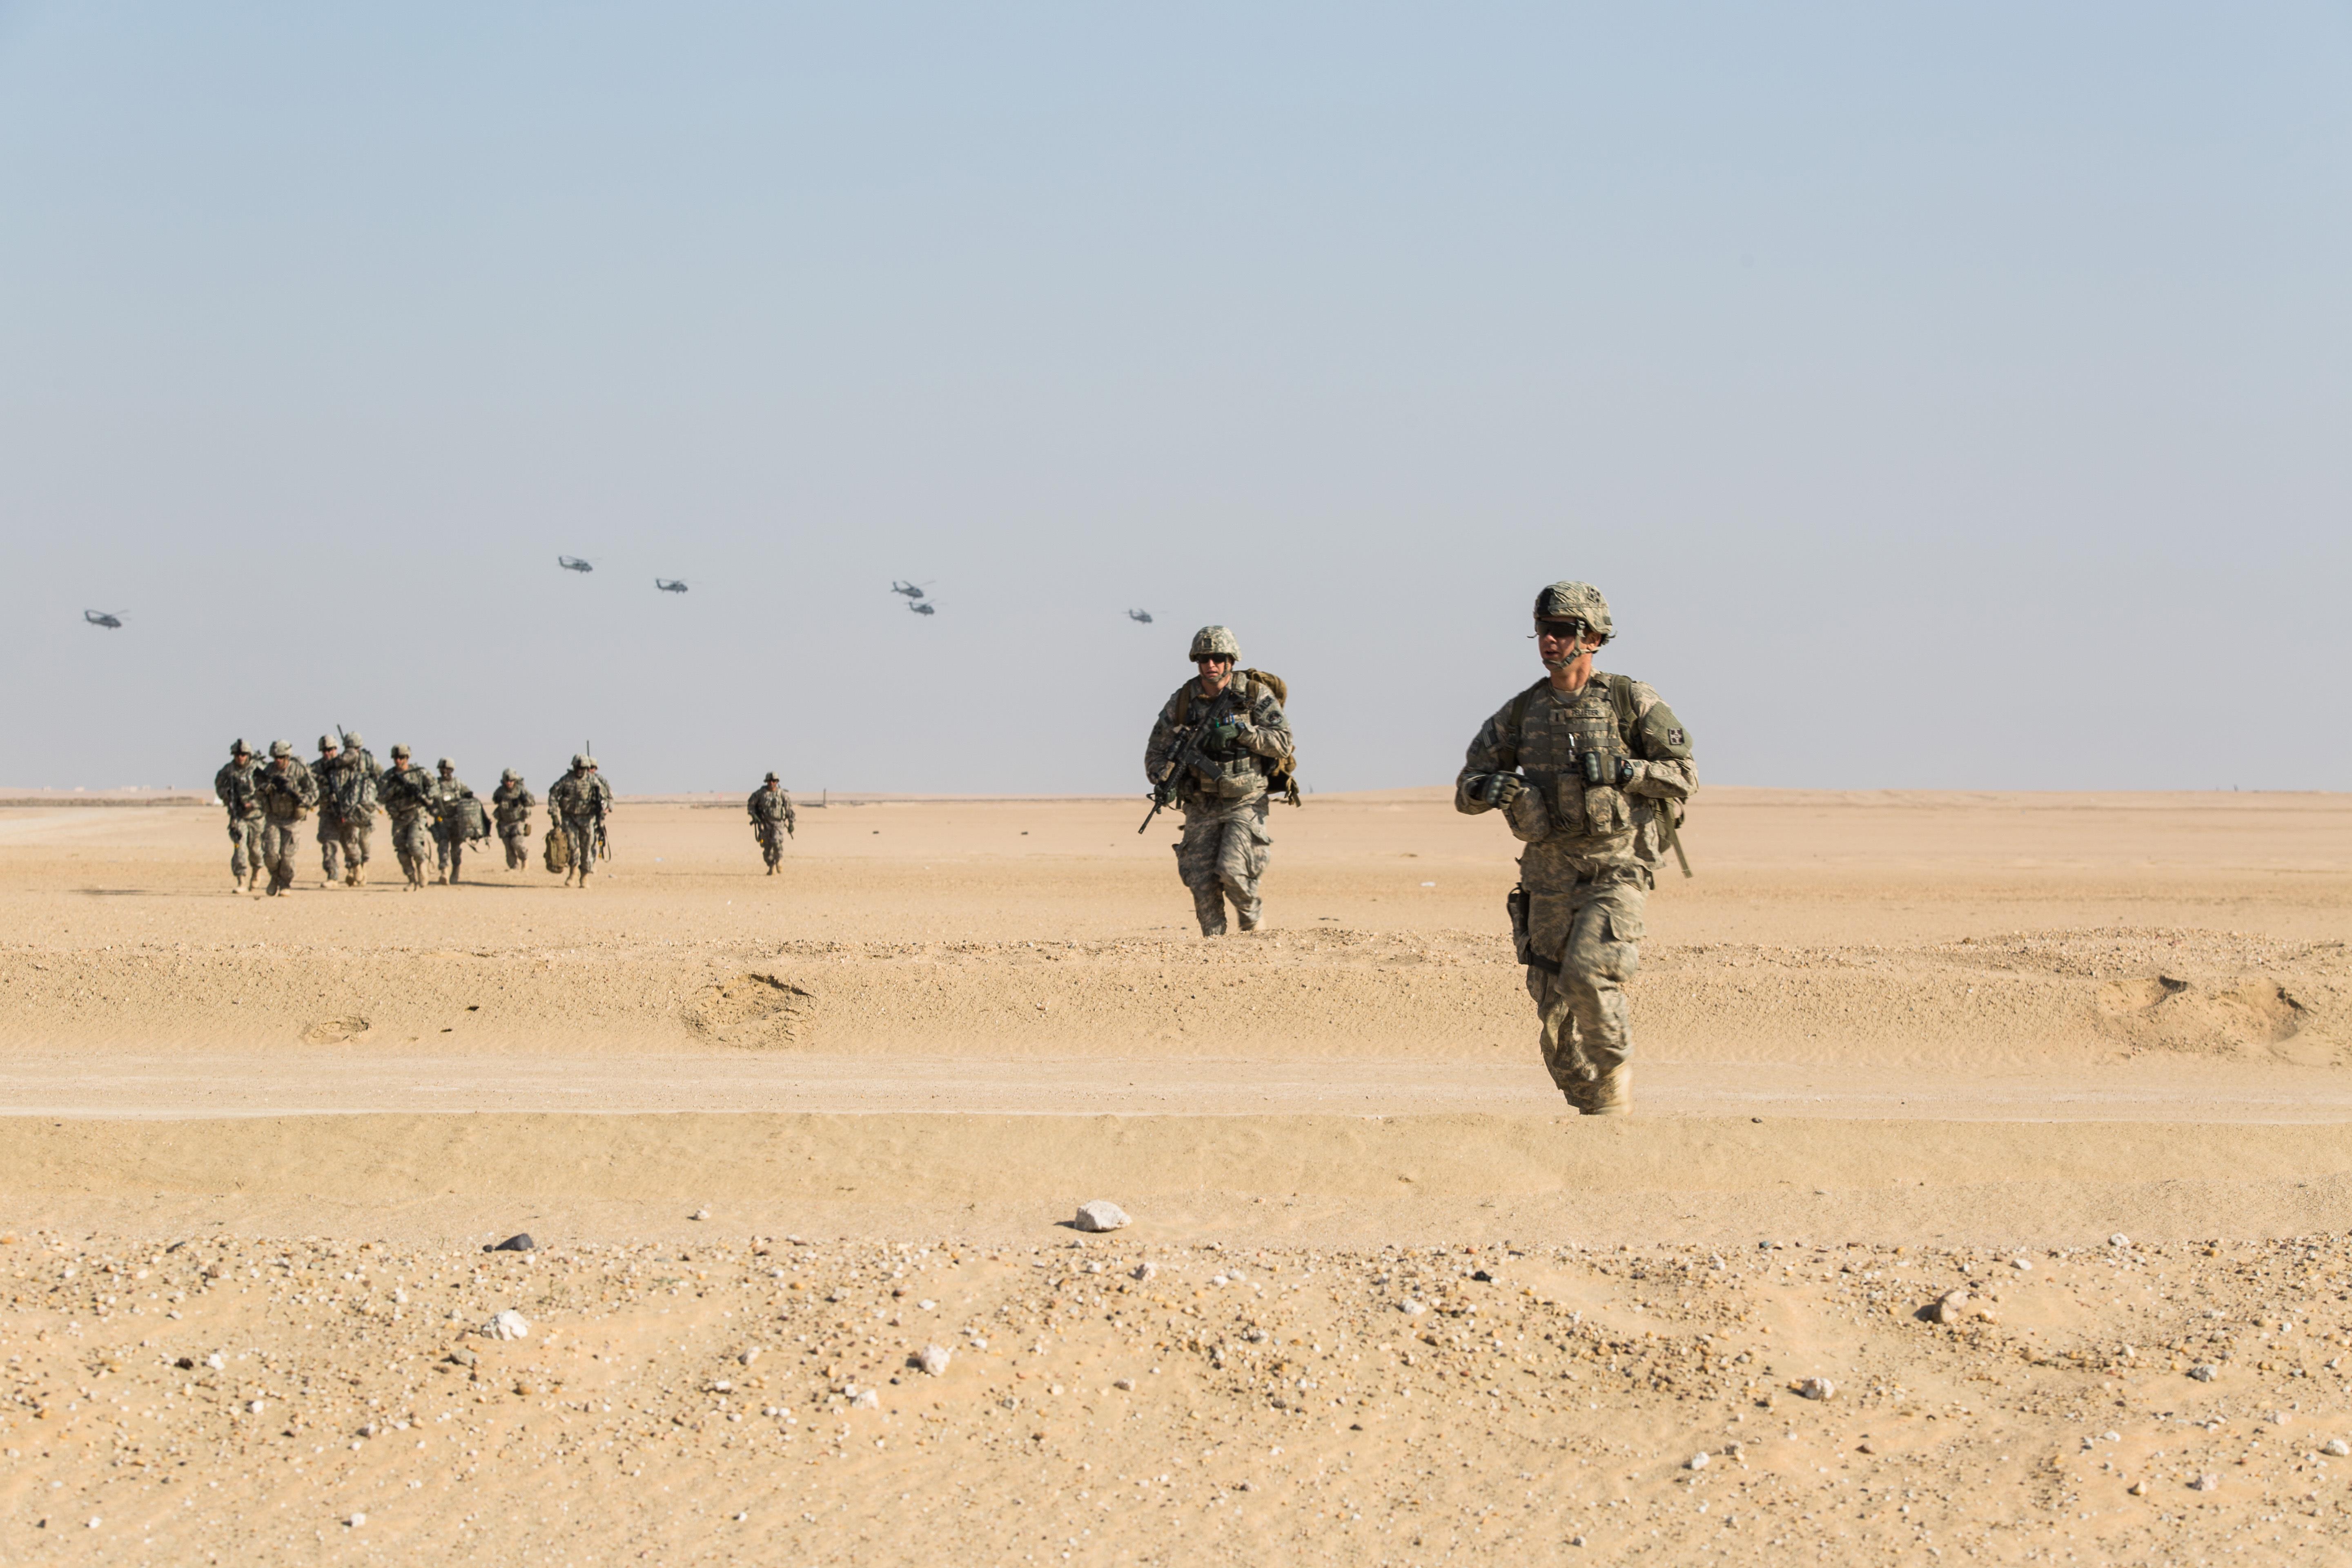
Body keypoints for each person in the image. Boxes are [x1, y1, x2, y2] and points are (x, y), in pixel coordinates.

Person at [1454, 581, 1697, 1117]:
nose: (1549, 640)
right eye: (1542, 629)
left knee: (1589, 972)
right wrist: (1487, 789)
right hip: (1547, 877)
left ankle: (1614, 1077)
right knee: (1556, 1024)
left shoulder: (1632, 702)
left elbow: (1685, 776)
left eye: (1562, 630)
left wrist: (1627, 771)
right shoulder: (1523, 712)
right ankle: (1598, 1121)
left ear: (1592, 637)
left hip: (1615, 868)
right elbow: (1467, 786)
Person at [1143, 625, 1294, 936]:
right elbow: (1155, 751)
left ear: (1231, 660)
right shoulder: (1184, 700)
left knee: (1233, 871)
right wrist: (1164, 778)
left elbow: (1283, 743)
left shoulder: (1253, 695)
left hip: (1245, 800)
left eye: (1217, 658)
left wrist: (1242, 733)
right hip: (1201, 803)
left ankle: (1254, 926)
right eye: (1204, 659)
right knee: (1200, 879)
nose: (1210, 665)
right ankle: (1214, 949)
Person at [253, 739, 320, 896]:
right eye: (276, 757)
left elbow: (314, 792)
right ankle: (274, 877)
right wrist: (264, 790)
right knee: (270, 854)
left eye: (282, 757)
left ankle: (285, 884)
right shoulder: (269, 771)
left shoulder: (299, 771)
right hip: (273, 818)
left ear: (288, 757)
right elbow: (257, 794)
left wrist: (302, 799)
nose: (278, 760)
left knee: (287, 856)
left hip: (292, 820)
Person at [546, 753, 614, 887]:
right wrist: (554, 815)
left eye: (582, 768)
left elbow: (603, 798)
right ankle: (573, 873)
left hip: (587, 819)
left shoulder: (593, 781)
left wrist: (601, 816)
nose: (579, 770)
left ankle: (585, 877)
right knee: (572, 847)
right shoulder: (566, 780)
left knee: (587, 848)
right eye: (577, 767)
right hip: (569, 818)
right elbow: (553, 795)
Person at [376, 744, 438, 891]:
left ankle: (422, 864)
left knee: (415, 844)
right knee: (402, 851)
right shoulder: (389, 777)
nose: (399, 761)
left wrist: (425, 796)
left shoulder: (419, 773)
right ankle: (412, 880)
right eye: (396, 758)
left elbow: (435, 786)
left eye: (402, 758)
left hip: (417, 814)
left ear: (408, 758)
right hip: (399, 817)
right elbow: (381, 797)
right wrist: (394, 789)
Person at [325, 729, 382, 885]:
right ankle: (355, 869)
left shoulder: (348, 759)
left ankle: (358, 868)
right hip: (363, 806)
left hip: (355, 806)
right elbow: (381, 777)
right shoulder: (371, 760)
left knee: (353, 839)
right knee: (355, 839)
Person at [212, 738, 265, 893]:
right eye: (237, 755)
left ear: (248, 755)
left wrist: (254, 803)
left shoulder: (258, 769)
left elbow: (267, 789)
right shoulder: (229, 770)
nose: (240, 758)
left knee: (256, 850)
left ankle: (257, 872)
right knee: (239, 848)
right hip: (239, 816)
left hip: (256, 816)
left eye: (243, 754)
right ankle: (241, 879)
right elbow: (220, 784)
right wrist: (227, 796)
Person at [428, 758, 488, 884]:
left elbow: (468, 793)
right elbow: (431, 797)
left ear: (452, 770)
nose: (445, 772)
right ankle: (444, 871)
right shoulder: (436, 784)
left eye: (448, 770)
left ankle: (456, 870)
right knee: (443, 846)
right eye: (442, 770)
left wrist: (468, 795)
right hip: (442, 820)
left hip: (457, 822)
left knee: (456, 849)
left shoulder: (458, 784)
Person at [747, 773, 796, 873]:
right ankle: (771, 865)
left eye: (774, 781)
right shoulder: (761, 794)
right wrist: (754, 816)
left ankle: (779, 861)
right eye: (770, 781)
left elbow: (789, 810)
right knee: (767, 850)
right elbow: (751, 805)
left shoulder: (782, 794)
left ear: (777, 782)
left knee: (777, 842)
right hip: (764, 825)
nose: (772, 783)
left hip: (778, 824)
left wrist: (791, 823)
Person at [491, 769, 535, 870]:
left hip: (518, 822)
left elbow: (532, 802)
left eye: (511, 781)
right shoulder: (500, 791)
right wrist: (497, 799)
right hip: (504, 823)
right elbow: (495, 800)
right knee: (508, 847)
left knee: (516, 843)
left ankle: (525, 860)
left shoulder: (521, 790)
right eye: (507, 781)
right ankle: (514, 867)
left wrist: (525, 800)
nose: (509, 783)